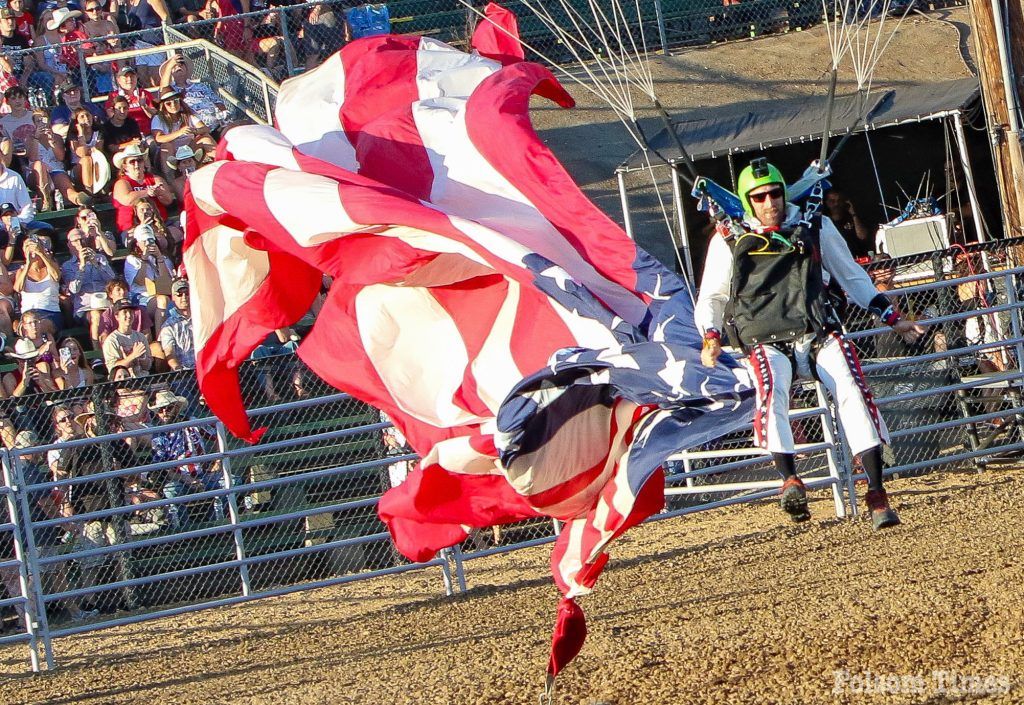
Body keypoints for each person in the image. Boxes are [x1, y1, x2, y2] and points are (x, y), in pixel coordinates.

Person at [695, 158, 925, 530]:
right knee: (772, 390)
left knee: (851, 384)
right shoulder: (728, 238)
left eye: (774, 194)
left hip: (818, 331)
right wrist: (710, 335)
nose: (769, 204)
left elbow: (851, 276)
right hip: (764, 339)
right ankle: (789, 480)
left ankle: (877, 492)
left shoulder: (814, 225)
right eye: (759, 198)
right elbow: (713, 297)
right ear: (746, 200)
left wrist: (892, 318)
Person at [111, 143, 173, 234]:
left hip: (160, 225)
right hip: (132, 228)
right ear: (125, 166)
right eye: (132, 162)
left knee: (176, 233)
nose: (136, 164)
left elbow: (168, 200)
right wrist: (148, 191)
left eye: (139, 160)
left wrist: (159, 192)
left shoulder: (155, 179)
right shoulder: (121, 183)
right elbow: (127, 200)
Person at [14, 234, 63, 334]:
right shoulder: (22, 271)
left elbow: (56, 276)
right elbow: (18, 288)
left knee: (39, 326)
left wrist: (41, 253)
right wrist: (28, 264)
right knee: (29, 325)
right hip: (28, 314)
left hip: (50, 312)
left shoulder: (51, 266)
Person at [101, 298, 151, 376]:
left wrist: (142, 358)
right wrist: (133, 355)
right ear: (117, 316)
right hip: (123, 381)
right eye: (124, 312)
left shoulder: (140, 337)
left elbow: (148, 366)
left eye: (131, 312)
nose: (129, 315)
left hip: (143, 378)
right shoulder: (112, 340)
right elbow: (113, 369)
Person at [159, 277, 193, 370]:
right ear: (173, 297)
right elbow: (169, 353)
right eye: (179, 294)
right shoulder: (168, 326)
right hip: (183, 375)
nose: (184, 297)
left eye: (187, 293)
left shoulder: (201, 319)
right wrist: (177, 368)